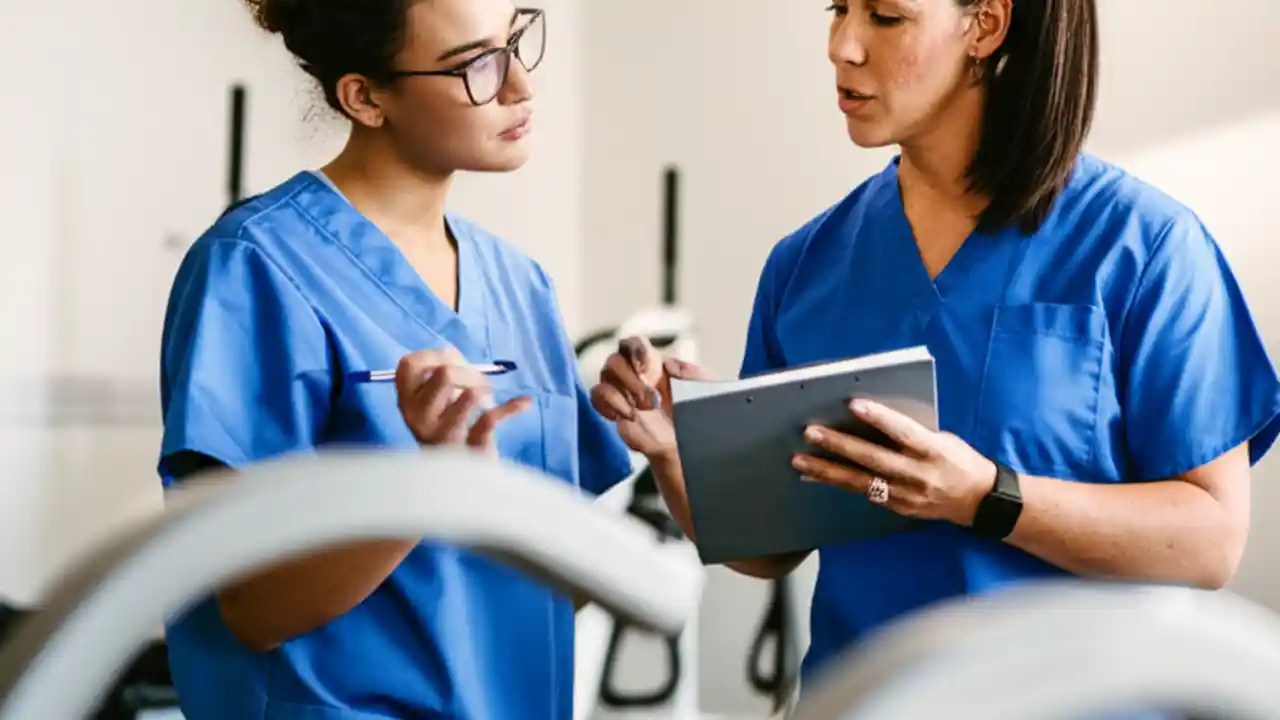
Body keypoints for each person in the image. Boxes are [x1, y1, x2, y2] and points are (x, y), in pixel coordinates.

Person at [593, 0, 1280, 702]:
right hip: (865, 700)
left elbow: (1210, 540)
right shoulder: (807, 264)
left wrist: (986, 498)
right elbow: (770, 548)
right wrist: (681, 453)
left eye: (886, 17)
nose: (843, 46)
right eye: (838, 10)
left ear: (984, 25)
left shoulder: (1143, 248)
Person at [156, 1, 633, 718]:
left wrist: (663, 439)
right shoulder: (256, 267)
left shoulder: (520, 284)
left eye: (514, 45)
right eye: (474, 64)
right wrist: (423, 489)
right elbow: (249, 607)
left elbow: (534, 583)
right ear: (366, 97)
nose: (519, 88)